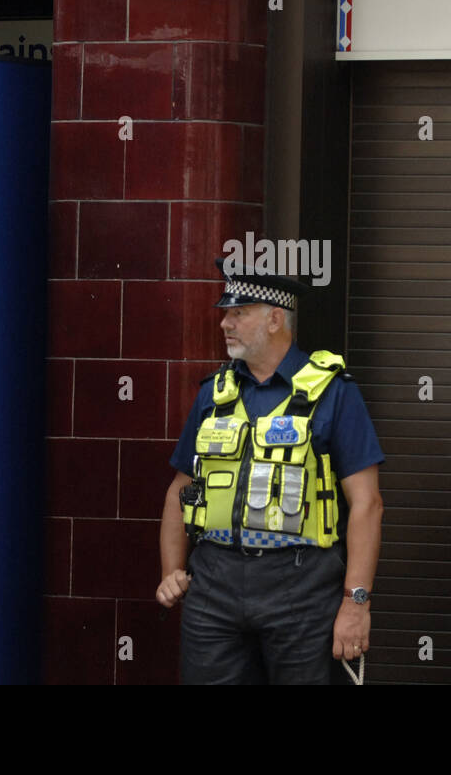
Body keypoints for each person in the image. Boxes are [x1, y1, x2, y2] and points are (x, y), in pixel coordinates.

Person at [156, 258, 385, 684]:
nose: (225, 323)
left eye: (238, 313)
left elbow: (367, 505)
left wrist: (356, 603)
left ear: (275, 319)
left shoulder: (334, 393)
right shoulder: (213, 394)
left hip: (301, 585)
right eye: (226, 313)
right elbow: (178, 491)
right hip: (214, 585)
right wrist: (172, 569)